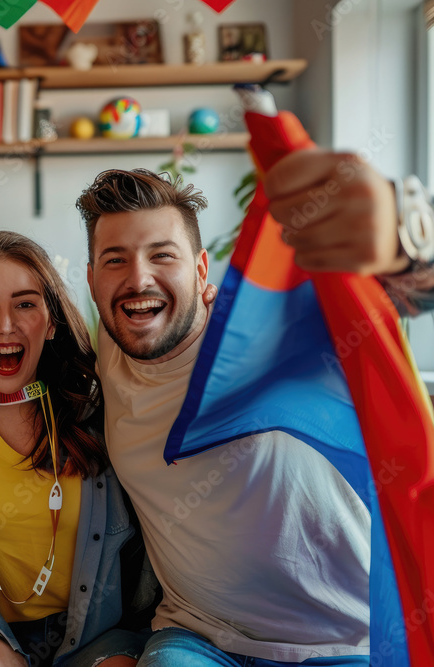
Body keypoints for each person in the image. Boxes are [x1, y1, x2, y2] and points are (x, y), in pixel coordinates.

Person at [77, 148, 434, 665]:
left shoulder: (271, 335)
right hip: (199, 636)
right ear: (91, 280)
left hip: (344, 639)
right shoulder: (107, 345)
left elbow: (410, 294)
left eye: (162, 255)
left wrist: (408, 237)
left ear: (202, 272)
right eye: (116, 260)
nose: (138, 279)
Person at [0, 231, 147, 667]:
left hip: (97, 634)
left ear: (52, 321)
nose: (6, 324)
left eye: (25, 304)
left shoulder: (104, 419)